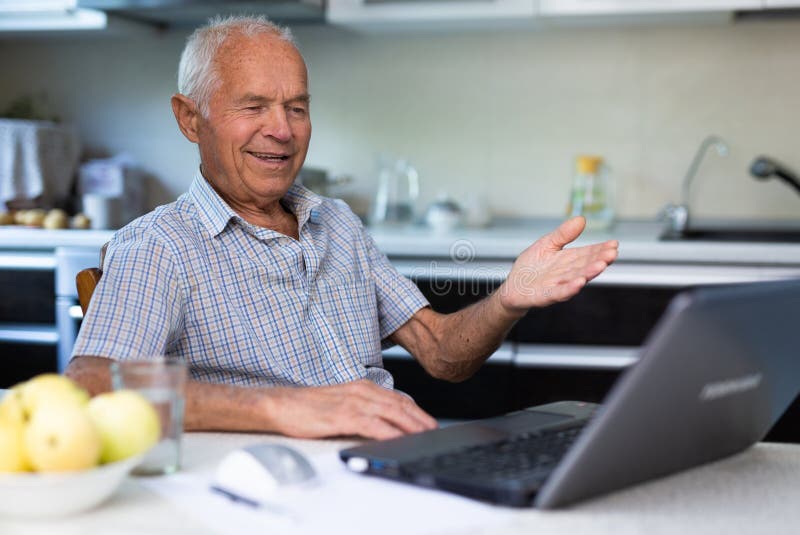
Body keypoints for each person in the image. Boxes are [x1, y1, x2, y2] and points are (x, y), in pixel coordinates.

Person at [66, 15, 619, 441]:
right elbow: (89, 385)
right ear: (191, 119)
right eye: (254, 106)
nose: (281, 130)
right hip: (265, 491)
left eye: (297, 108)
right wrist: (283, 406)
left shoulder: (337, 222)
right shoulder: (159, 245)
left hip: (387, 463)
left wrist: (509, 298)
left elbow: (442, 354)